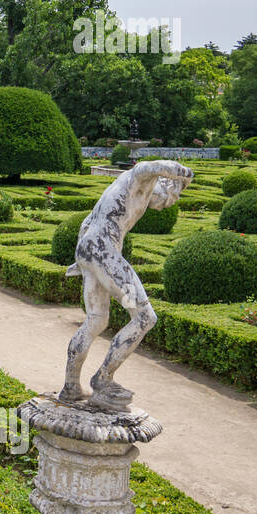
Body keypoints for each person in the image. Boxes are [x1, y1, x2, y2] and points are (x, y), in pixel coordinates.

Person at [61, 160, 193, 412]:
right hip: (103, 251)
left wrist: (84, 261)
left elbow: (87, 223)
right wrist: (186, 175)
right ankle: (103, 378)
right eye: (169, 199)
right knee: (145, 317)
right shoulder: (138, 179)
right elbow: (152, 165)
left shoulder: (124, 189)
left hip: (90, 250)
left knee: (96, 321)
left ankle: (71, 386)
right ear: (163, 184)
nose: (166, 205)